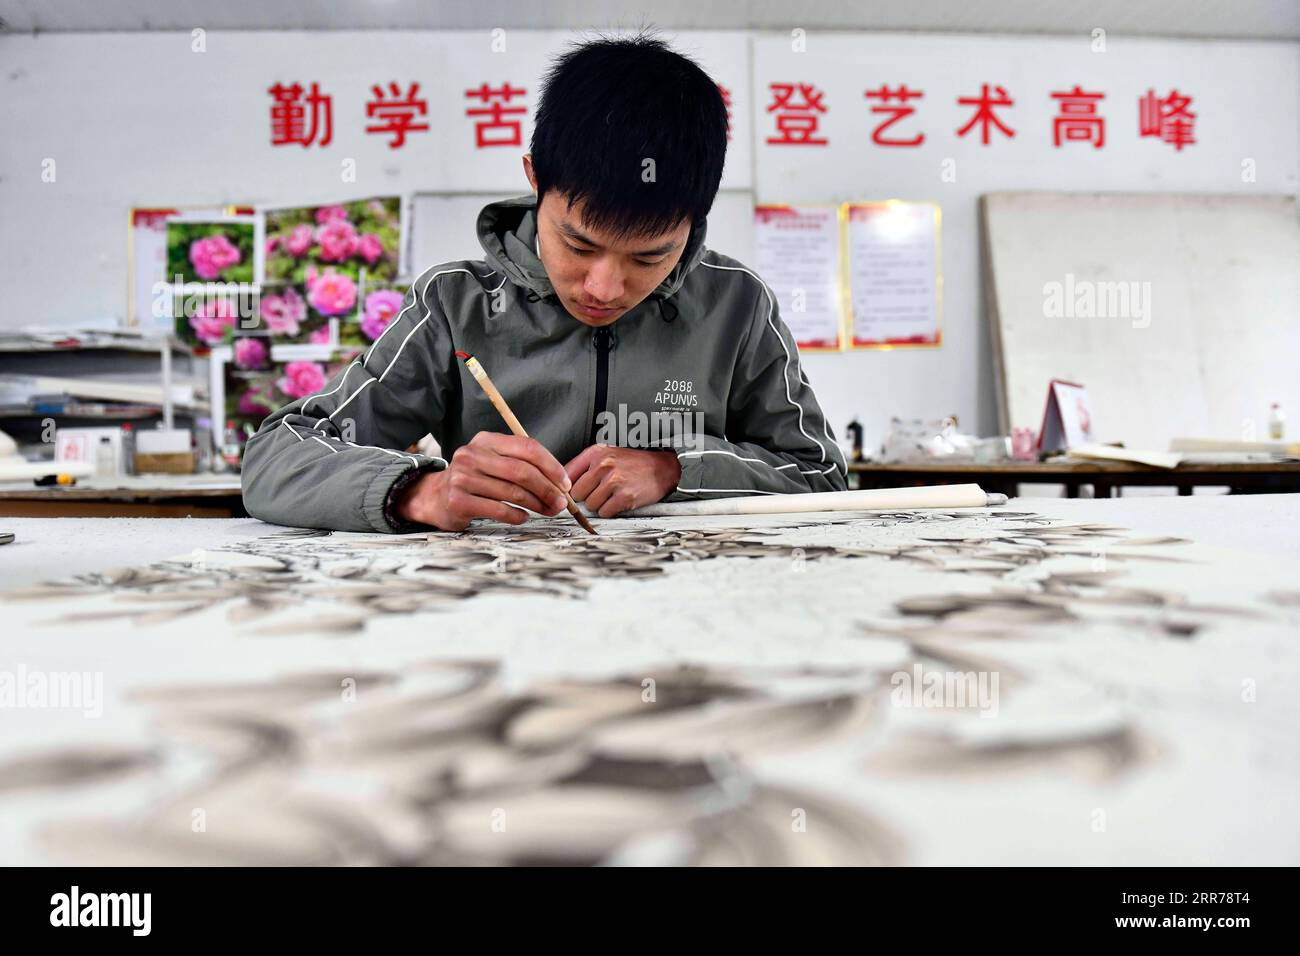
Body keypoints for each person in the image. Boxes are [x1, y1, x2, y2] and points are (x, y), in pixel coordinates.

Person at [242, 32, 846, 533]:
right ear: (535, 179)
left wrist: (676, 469)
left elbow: (821, 476)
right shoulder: (455, 306)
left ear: (695, 221)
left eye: (650, 256)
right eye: (579, 244)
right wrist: (419, 491)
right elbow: (277, 457)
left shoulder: (735, 305)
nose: (605, 287)